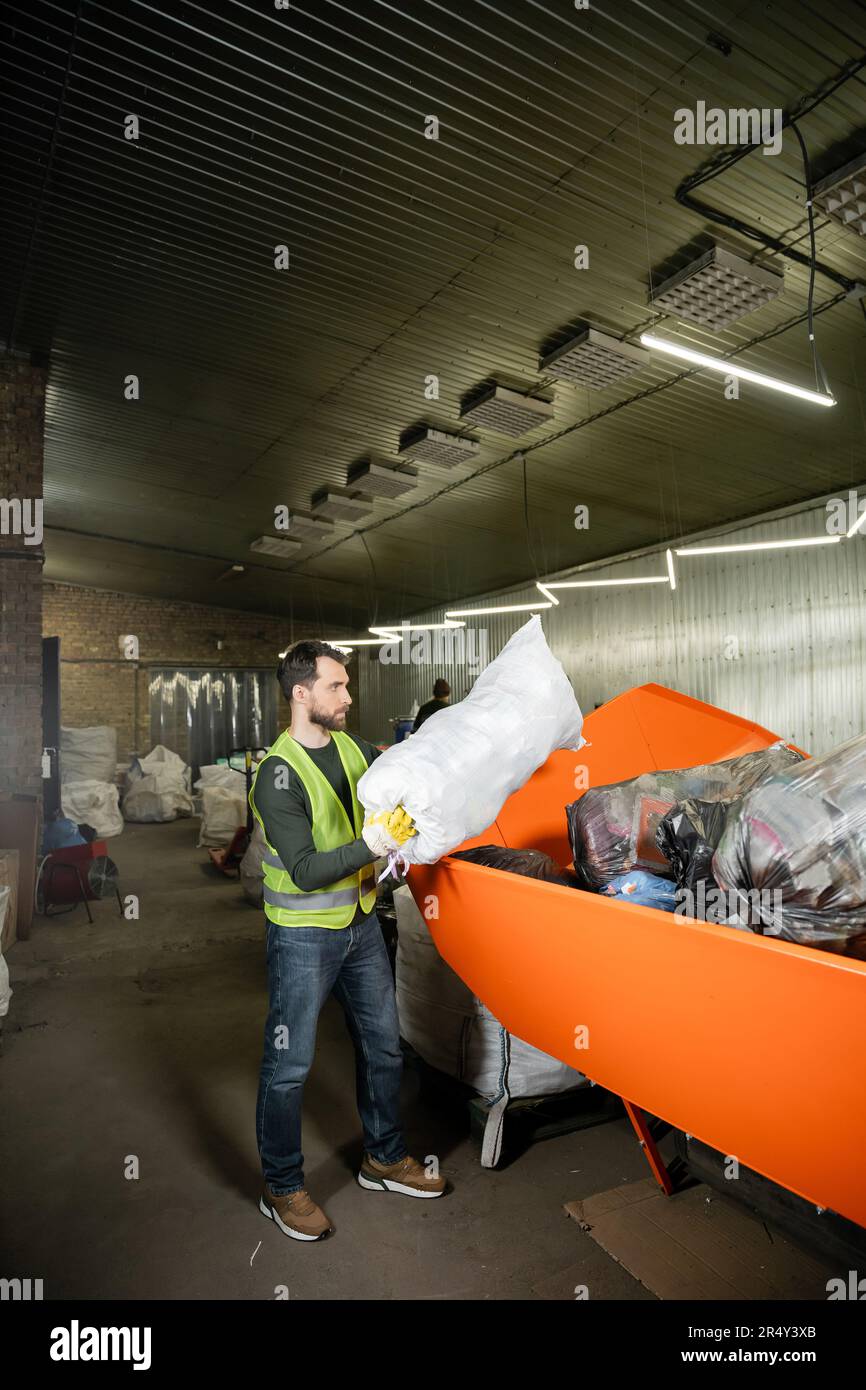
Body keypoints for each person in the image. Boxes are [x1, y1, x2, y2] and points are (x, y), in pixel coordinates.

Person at [250, 639, 446, 1242]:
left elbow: (399, 779)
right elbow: (306, 869)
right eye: (337, 686)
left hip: (360, 926)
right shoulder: (276, 775)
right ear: (301, 693)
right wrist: (377, 844)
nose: (348, 695)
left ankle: (382, 1157)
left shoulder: (356, 749)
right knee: (290, 1067)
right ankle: (281, 1187)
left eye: (346, 684)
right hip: (303, 937)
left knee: (384, 1047)